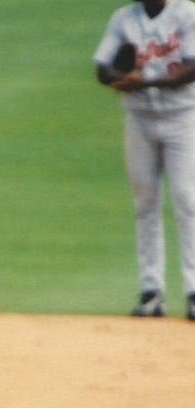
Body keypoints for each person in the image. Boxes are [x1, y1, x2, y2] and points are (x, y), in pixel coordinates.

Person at [94, 0, 195, 319]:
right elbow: (102, 68)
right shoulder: (124, 18)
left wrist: (145, 82)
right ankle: (151, 292)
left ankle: (193, 292)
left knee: (187, 200)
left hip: (183, 118)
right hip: (139, 119)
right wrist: (118, 77)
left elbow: (191, 69)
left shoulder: (187, 14)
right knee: (145, 202)